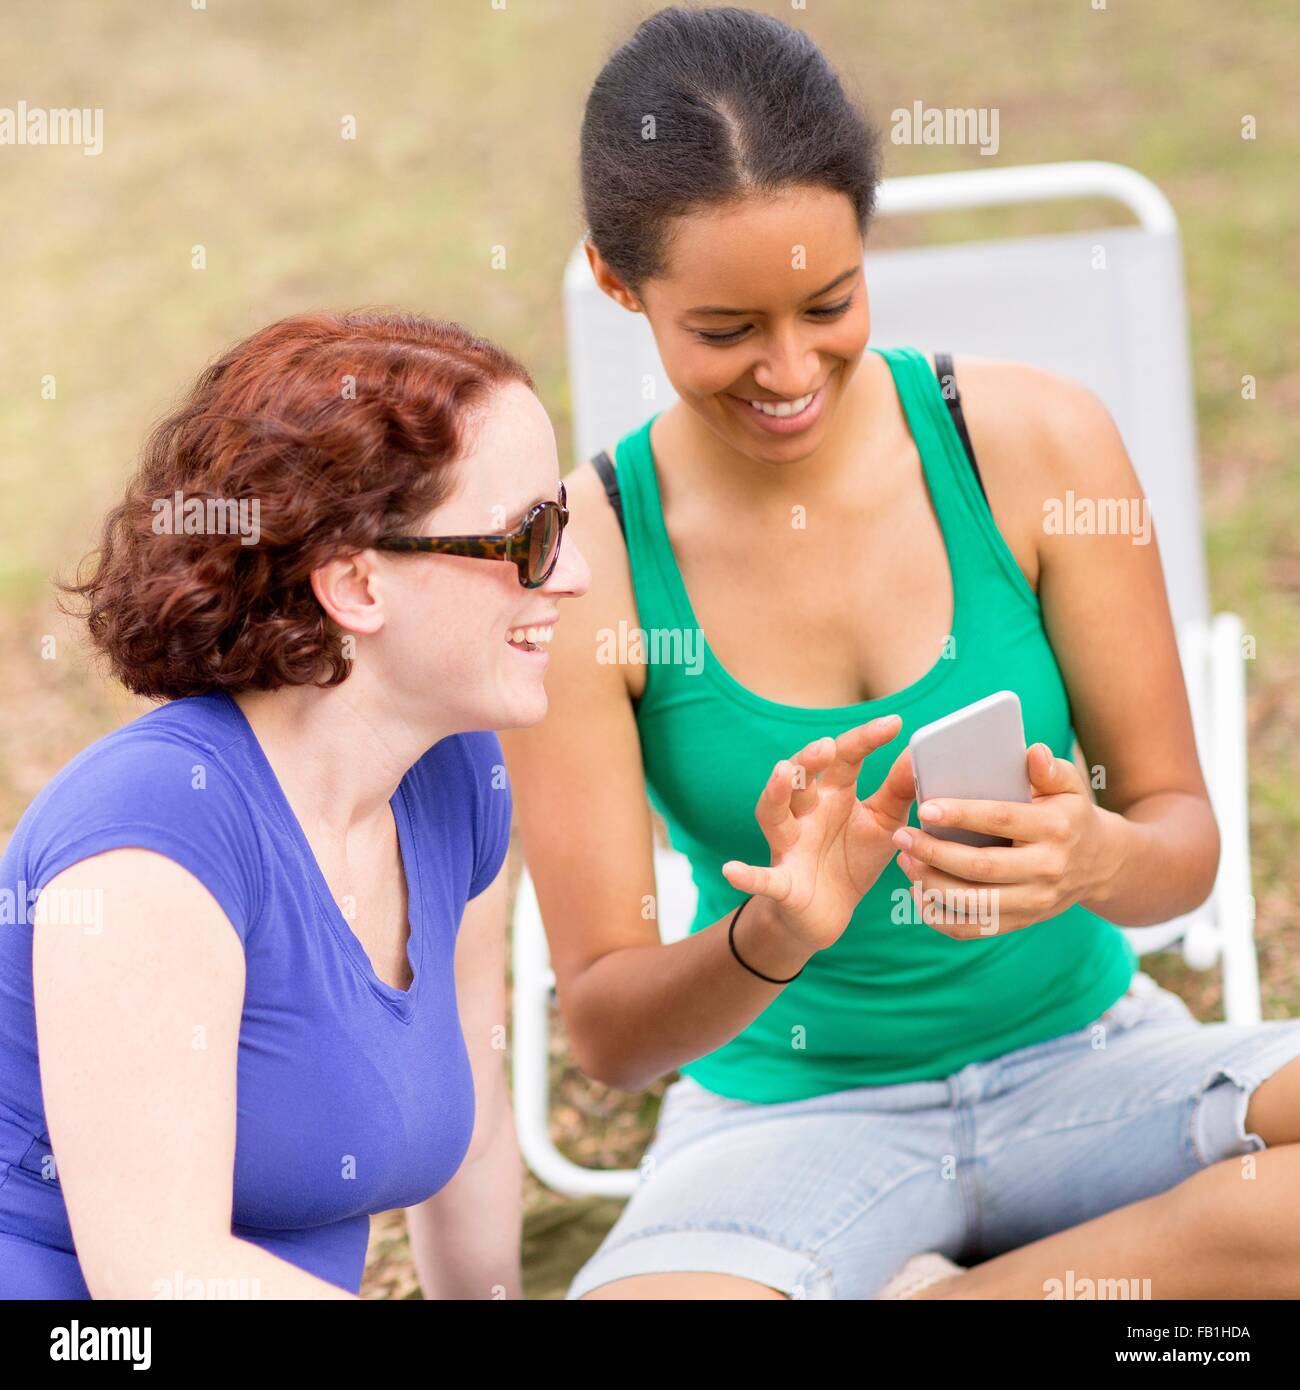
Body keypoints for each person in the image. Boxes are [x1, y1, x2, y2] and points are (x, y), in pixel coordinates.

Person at [499, 6, 1300, 1300]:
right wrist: (774, 933)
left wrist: (1097, 853)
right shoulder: (588, 563)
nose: (789, 368)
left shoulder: (1036, 445)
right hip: (789, 1121)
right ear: (615, 280)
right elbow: (606, 1030)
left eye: (830, 302)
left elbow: (1180, 846)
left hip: (1092, 1062)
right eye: (724, 330)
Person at [0, 310, 589, 1298]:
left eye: (561, 525)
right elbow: (157, 1274)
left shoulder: (453, 778)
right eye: (530, 535)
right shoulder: (152, 843)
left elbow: (475, 1126)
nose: (571, 576)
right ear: (357, 583)